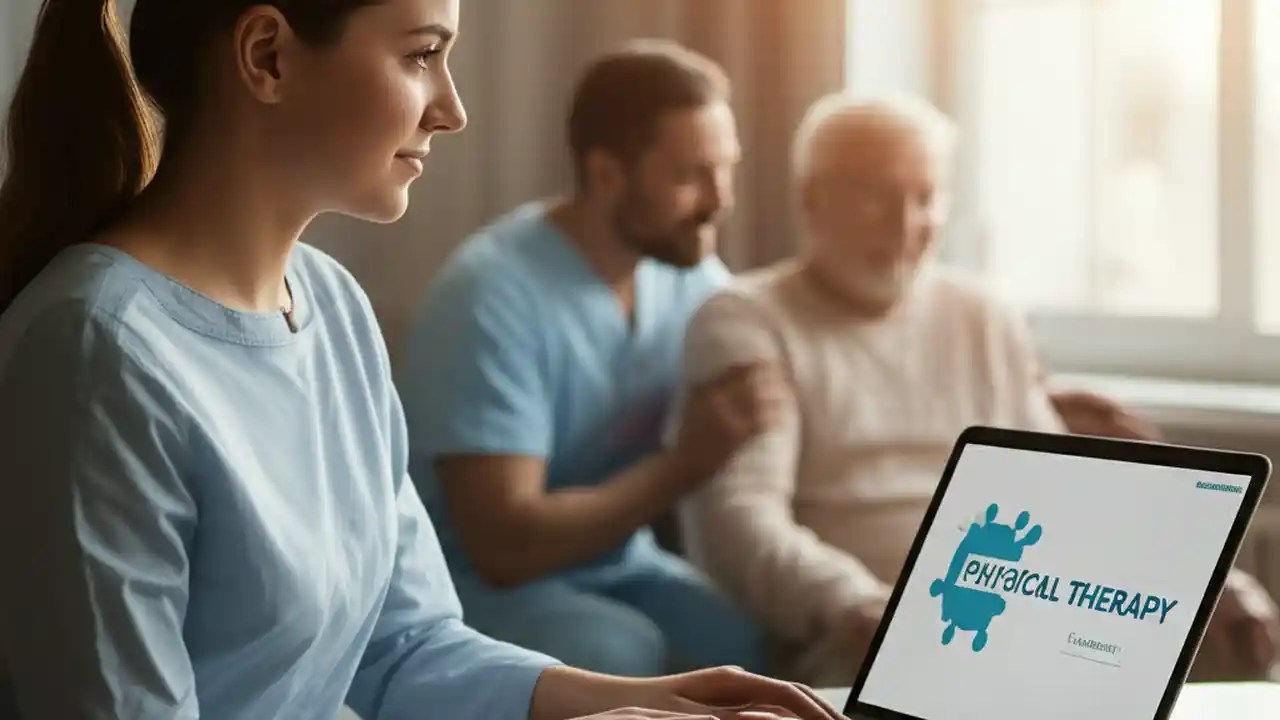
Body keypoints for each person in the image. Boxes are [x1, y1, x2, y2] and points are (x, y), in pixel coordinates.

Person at [0, 2, 839, 718]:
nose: (452, 108)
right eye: (422, 55)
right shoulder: (95, 351)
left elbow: (406, 646)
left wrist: (649, 699)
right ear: (268, 56)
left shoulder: (331, 307)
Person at [676, 92, 1280, 686]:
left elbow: (1064, 494)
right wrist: (857, 603)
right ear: (811, 200)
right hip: (858, 630)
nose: (907, 224)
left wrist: (1215, 582)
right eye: (876, 197)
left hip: (1026, 616)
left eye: (926, 198)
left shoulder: (981, 313)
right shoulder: (745, 321)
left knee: (1227, 650)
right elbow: (739, 520)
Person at [401, 41, 779, 677]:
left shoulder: (691, 275)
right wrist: (684, 463)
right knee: (619, 651)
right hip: (471, 577)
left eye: (726, 169)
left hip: (615, 560)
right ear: (606, 174)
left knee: (744, 644)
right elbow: (503, 545)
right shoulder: (492, 296)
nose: (721, 201)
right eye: (691, 177)